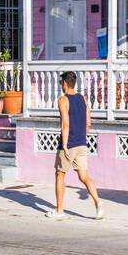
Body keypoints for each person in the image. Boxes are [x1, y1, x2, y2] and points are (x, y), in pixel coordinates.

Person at [47, 71, 104, 220]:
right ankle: (98, 203)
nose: (61, 85)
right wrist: (82, 135)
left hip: (69, 143)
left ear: (65, 83)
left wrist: (64, 145)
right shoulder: (82, 98)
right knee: (84, 176)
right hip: (81, 143)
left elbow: (65, 124)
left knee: (60, 175)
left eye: (61, 83)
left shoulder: (63, 100)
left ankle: (59, 211)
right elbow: (88, 122)